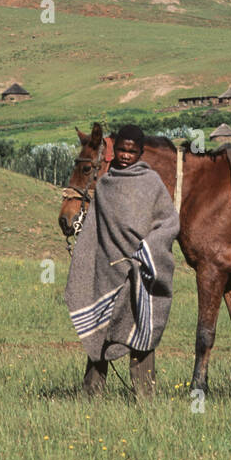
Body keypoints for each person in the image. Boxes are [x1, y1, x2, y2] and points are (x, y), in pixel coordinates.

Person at [64, 124, 180, 397]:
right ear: (114, 151)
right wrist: (86, 259)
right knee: (100, 331)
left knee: (142, 332)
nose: (126, 156)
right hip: (109, 271)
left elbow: (169, 222)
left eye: (132, 151)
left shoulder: (152, 184)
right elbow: (94, 229)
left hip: (141, 270)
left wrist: (149, 249)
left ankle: (145, 397)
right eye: (122, 150)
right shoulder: (105, 184)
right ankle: (91, 395)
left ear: (140, 152)